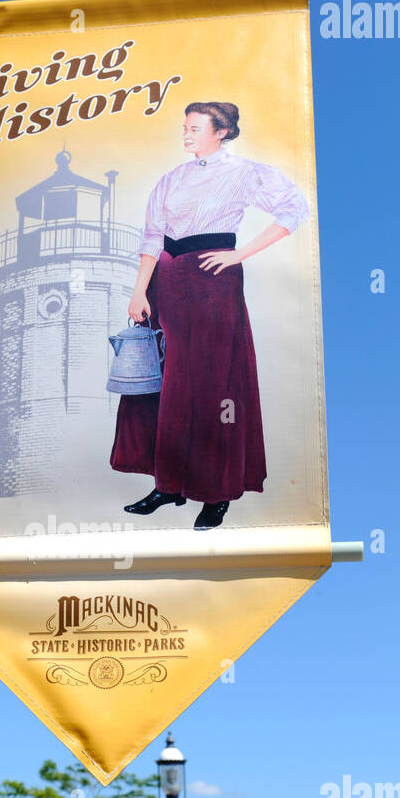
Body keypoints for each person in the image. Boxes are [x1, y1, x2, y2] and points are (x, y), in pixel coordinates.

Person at [110, 100, 309, 529]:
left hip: (211, 279)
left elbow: (294, 208)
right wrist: (139, 291)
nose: (185, 134)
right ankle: (168, 484)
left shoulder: (244, 172)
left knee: (213, 383)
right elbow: (152, 236)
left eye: (195, 128)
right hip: (166, 279)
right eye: (184, 127)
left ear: (220, 132)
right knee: (165, 381)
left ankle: (215, 492)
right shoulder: (170, 179)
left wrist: (240, 254)